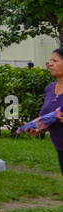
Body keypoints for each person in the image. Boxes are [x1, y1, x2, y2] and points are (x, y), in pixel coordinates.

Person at [25, 48, 63, 176]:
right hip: (60, 148)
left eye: (55, 61)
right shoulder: (50, 88)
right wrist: (38, 129)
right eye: (50, 61)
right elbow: (49, 119)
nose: (50, 64)